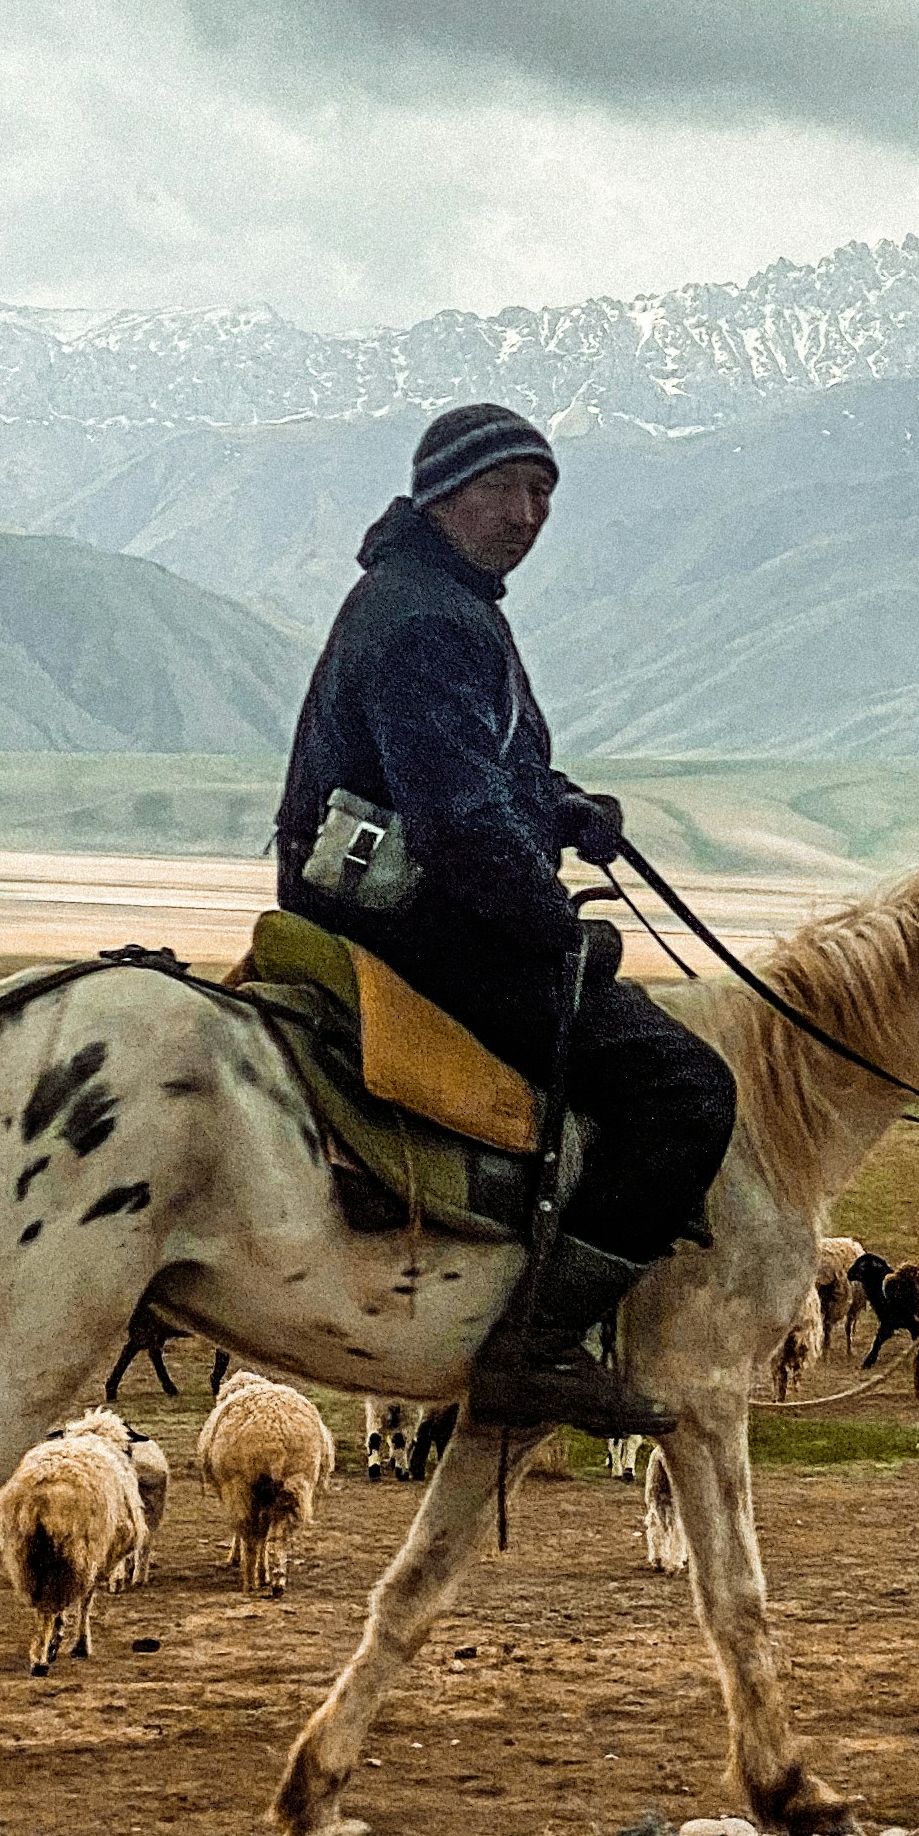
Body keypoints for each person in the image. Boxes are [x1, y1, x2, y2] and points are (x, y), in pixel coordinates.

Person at [275, 400, 737, 1437]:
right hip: (415, 924)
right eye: (506, 488)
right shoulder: (430, 618)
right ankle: (535, 1346)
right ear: (443, 491)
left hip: (394, 902)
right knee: (686, 1088)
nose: (528, 512)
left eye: (543, 493)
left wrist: (561, 806)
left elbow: (479, 772)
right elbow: (457, 819)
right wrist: (559, 931)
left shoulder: (436, 599)